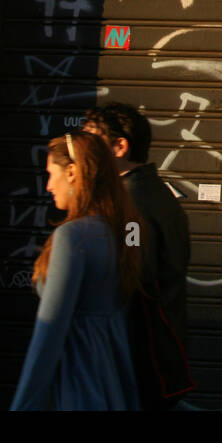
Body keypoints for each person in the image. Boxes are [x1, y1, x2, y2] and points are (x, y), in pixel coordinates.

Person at [11, 131, 142, 410]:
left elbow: (50, 330)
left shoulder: (73, 236)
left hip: (75, 380)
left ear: (71, 172)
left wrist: (23, 404)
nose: (48, 186)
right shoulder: (118, 231)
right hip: (110, 380)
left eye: (50, 173)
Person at [83, 102, 192, 409]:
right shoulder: (154, 193)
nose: (82, 154)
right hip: (154, 359)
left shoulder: (131, 206)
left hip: (138, 362)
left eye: (91, 142)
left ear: (119, 147)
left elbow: (131, 281)